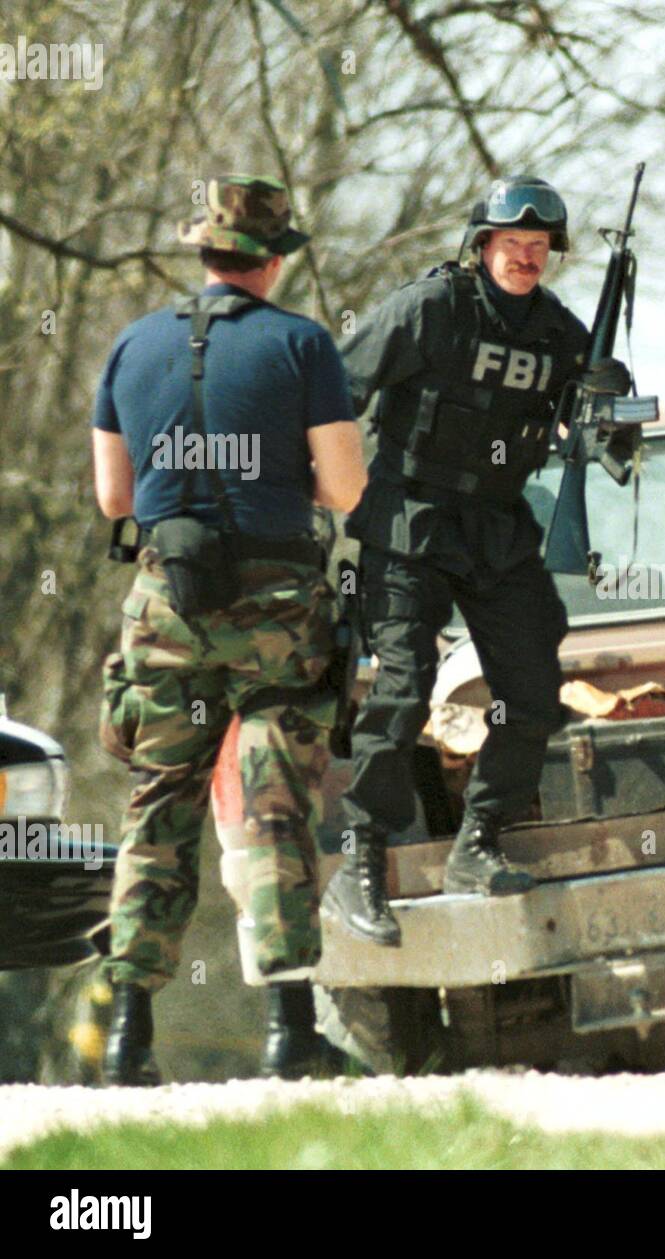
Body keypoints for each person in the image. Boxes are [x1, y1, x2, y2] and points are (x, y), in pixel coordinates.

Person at [92, 175, 366, 1084]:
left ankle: (129, 1036)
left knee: (156, 809)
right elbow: (346, 486)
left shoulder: (131, 345)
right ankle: (291, 1030)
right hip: (277, 613)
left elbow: (113, 499)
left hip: (168, 603)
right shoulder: (303, 344)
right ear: (274, 257)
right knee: (276, 805)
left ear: (201, 252)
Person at [326, 175, 627, 942]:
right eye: (510, 244)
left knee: (531, 686)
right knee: (401, 689)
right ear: (482, 245)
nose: (524, 258)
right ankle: (359, 859)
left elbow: (607, 449)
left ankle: (481, 838)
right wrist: (313, 496)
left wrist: (609, 405)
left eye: (537, 248)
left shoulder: (562, 337)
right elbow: (335, 390)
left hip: (495, 524)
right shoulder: (430, 310)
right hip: (410, 516)